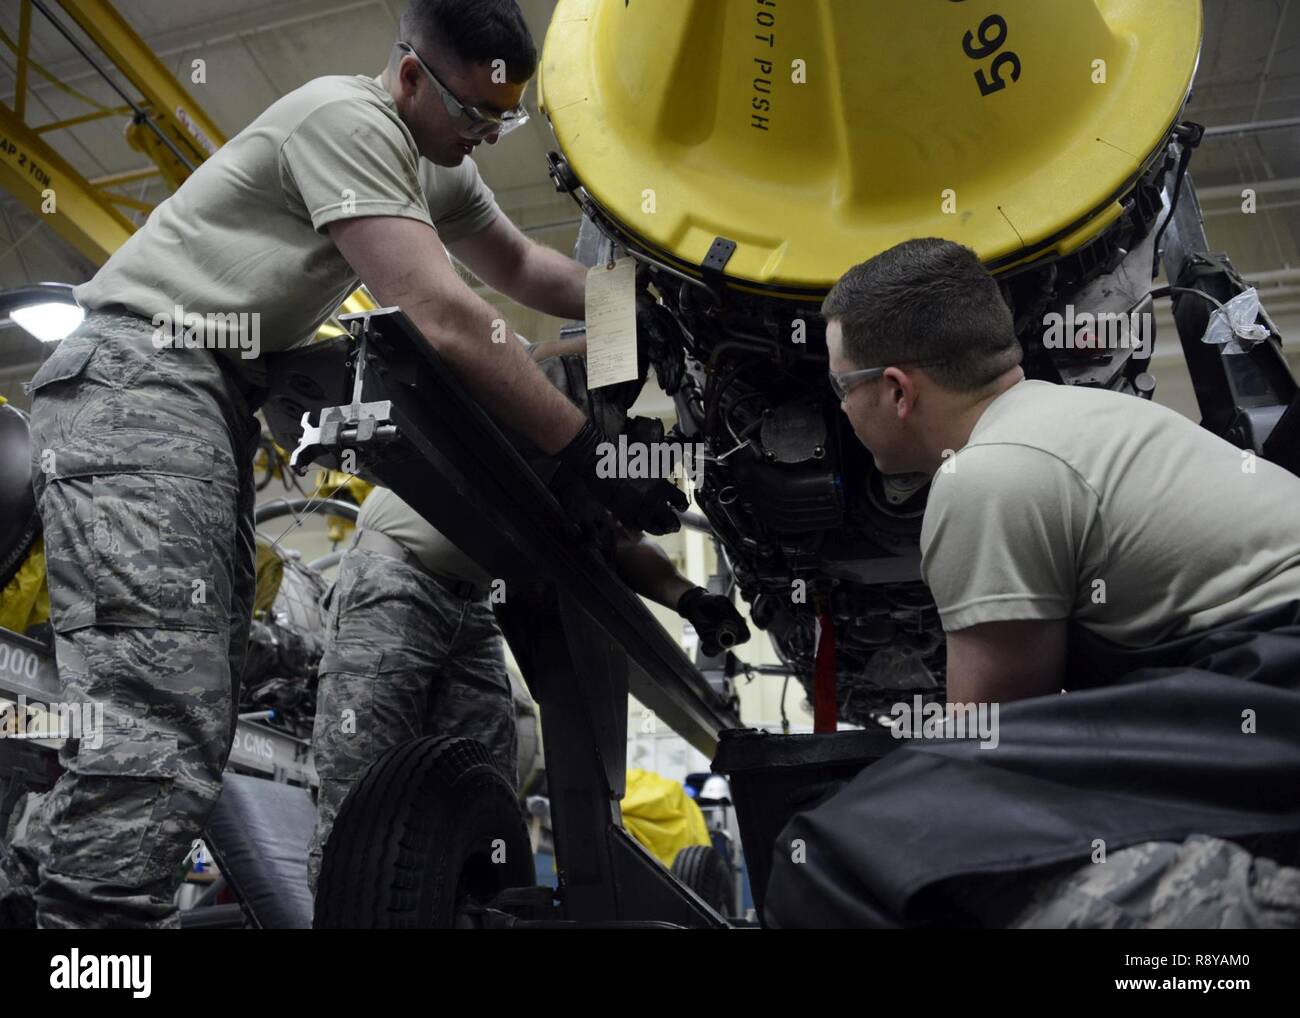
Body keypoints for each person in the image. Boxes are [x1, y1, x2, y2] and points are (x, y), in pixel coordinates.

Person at [0, 0, 682, 930]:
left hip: (204, 401)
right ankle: (89, 942)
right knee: (164, 711)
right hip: (143, 380)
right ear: (410, 77)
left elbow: (522, 266)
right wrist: (582, 450)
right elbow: (444, 313)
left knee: (184, 696)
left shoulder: (433, 160)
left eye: (503, 121)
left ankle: (37, 908)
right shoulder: (349, 118)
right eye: (473, 117)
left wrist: (642, 308)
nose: (483, 139)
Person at [763, 236, 1300, 928]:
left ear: (895, 390)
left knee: (838, 849)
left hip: (1274, 682)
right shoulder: (1078, 417)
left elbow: (982, 752)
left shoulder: (986, 475)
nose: (839, 409)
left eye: (842, 387)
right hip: (1260, 688)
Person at [307, 343, 750, 894]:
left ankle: (471, 911)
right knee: (359, 784)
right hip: (395, 580)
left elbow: (616, 540)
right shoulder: (535, 387)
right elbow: (509, 363)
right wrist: (609, 333)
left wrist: (689, 598)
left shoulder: (599, 442)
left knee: (485, 786)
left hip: (475, 608)